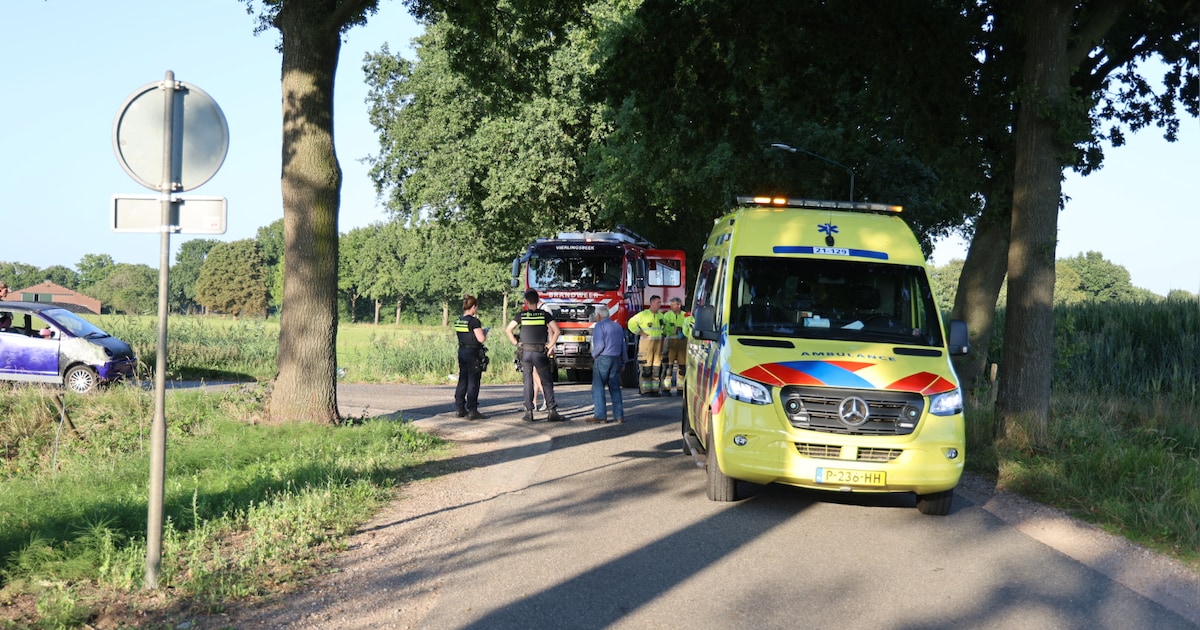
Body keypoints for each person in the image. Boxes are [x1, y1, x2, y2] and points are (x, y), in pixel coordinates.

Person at [506, 289, 563, 422]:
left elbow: (508, 330)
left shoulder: (521, 315)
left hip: (525, 352)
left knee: (528, 381)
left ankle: (529, 412)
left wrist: (516, 343)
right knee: (546, 381)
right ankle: (552, 411)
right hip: (540, 352)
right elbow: (557, 331)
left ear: (526, 301)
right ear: (537, 300)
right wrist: (550, 346)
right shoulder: (544, 315)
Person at [586, 305, 626, 424]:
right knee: (615, 388)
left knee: (598, 387)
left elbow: (600, 346)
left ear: (598, 316)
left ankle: (600, 415)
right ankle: (619, 416)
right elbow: (623, 345)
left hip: (603, 358)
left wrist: (592, 356)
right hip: (616, 359)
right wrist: (624, 361)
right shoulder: (618, 326)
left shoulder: (599, 326)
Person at [453, 295, 489, 421]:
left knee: (463, 379)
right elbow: (481, 339)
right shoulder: (474, 321)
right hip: (472, 352)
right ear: (473, 307)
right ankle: (472, 410)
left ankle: (459, 408)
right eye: (476, 307)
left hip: (462, 351)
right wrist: (485, 332)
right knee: (473, 381)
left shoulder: (458, 320)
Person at [627, 295, 665, 396]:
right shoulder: (643, 315)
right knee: (646, 368)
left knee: (656, 368)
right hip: (646, 345)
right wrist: (640, 333)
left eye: (660, 302)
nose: (659, 305)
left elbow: (664, 328)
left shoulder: (661, 316)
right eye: (658, 303)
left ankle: (655, 390)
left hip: (657, 345)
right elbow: (631, 323)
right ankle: (645, 391)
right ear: (651, 303)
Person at [660, 297, 688, 396]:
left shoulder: (685, 315)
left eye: (673, 304)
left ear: (679, 305)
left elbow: (689, 328)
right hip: (670, 342)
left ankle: (681, 389)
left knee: (682, 366)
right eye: (671, 304)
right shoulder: (667, 315)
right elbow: (663, 329)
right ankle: (665, 389)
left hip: (682, 342)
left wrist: (683, 332)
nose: (671, 306)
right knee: (668, 366)